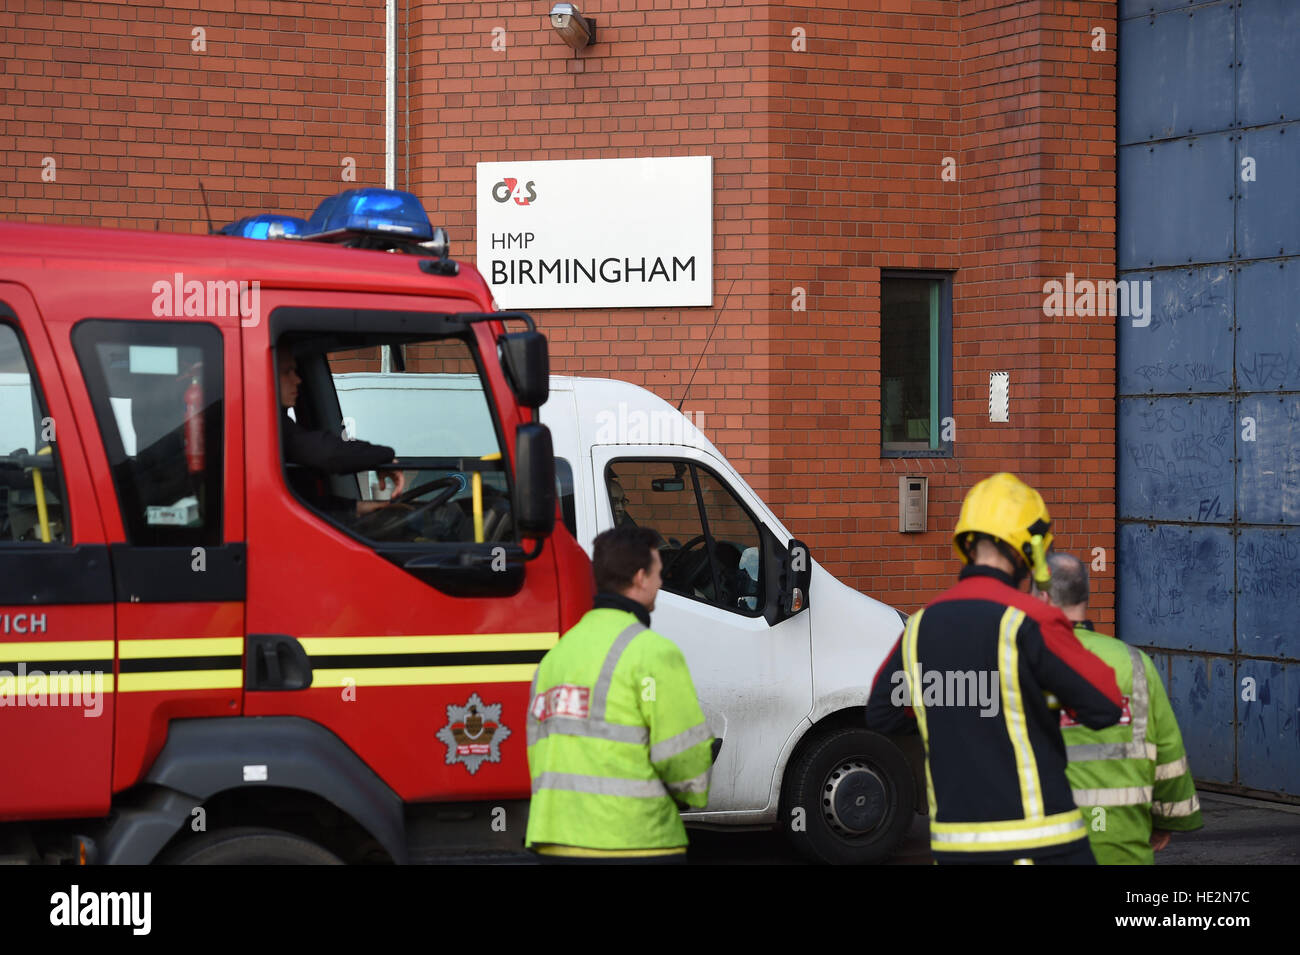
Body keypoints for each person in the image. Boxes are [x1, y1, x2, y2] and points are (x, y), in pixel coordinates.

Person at [865, 472, 1124, 864]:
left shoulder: (919, 628)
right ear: (1029, 550)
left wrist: (955, 707)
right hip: (1040, 846)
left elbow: (881, 713)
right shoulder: (1031, 621)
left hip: (956, 850)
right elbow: (1105, 703)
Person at [525, 524, 715, 863]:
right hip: (635, 839)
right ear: (641, 577)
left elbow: (538, 749)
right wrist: (692, 790)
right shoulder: (652, 653)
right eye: (658, 572)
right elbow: (682, 755)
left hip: (555, 839)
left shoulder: (555, 657)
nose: (660, 581)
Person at [1035, 552, 1203, 864]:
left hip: (1044, 841)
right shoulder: (1135, 664)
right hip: (1122, 841)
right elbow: (1167, 750)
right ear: (1084, 596)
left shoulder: (1022, 660)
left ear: (1043, 597)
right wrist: (1167, 820)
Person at [277, 349, 405, 522]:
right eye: (287, 372)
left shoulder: (276, 422)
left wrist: (356, 508)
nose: (297, 380)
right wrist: (384, 456)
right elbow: (327, 453)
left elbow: (303, 502)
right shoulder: (269, 424)